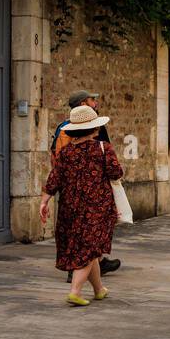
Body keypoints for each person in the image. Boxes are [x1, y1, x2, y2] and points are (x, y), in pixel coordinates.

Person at [40, 101, 123, 306]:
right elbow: (116, 173)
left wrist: (44, 202)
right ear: (95, 128)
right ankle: (75, 292)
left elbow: (54, 179)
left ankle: (99, 289)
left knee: (90, 248)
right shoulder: (103, 148)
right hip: (98, 208)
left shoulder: (66, 153)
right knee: (89, 249)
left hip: (70, 208)